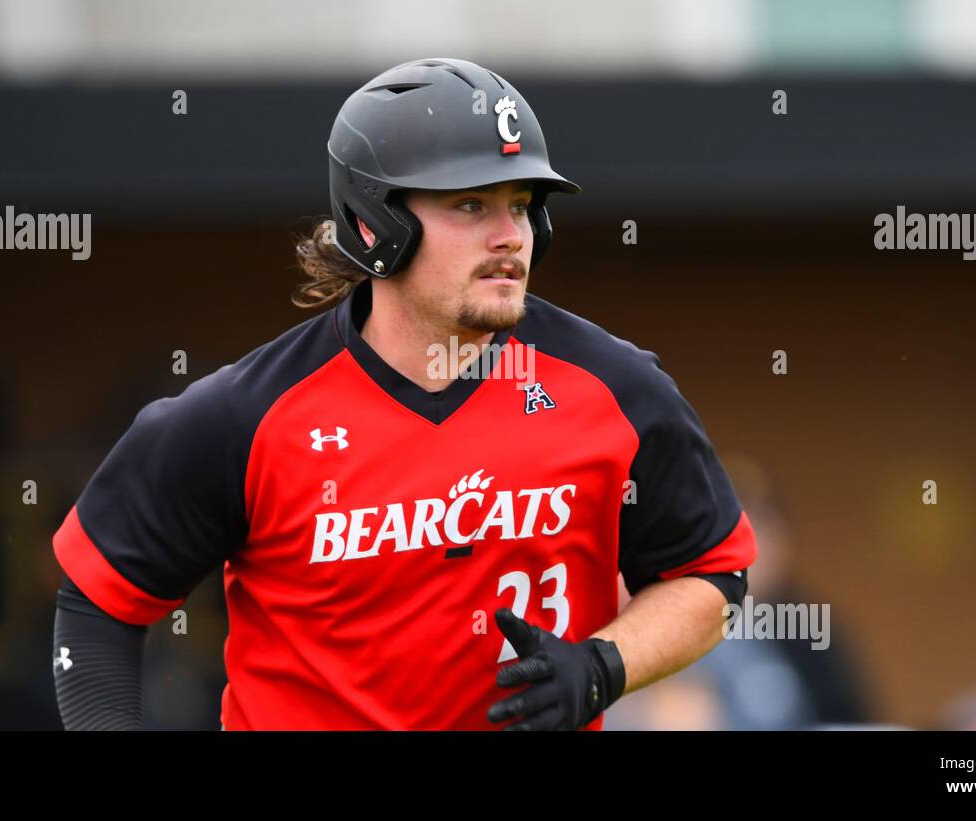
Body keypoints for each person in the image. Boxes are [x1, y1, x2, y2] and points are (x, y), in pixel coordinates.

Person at [51, 57, 758, 731]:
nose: (509, 235)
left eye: (520, 205)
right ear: (374, 222)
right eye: (472, 204)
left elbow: (715, 578)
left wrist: (605, 664)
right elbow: (99, 600)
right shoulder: (244, 417)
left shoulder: (619, 390)